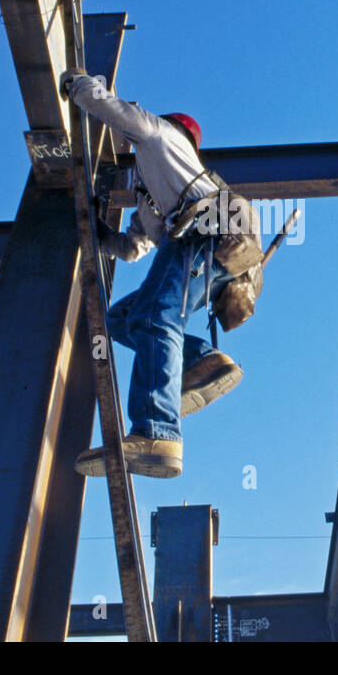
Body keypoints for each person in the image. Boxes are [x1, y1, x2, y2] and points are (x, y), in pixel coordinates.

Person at [59, 70, 248, 479]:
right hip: (200, 251)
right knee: (121, 319)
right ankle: (204, 361)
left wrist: (78, 84)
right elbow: (134, 248)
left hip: (203, 235)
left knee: (155, 318)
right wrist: (99, 233)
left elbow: (111, 109)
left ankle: (156, 432)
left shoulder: (162, 136)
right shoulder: (153, 193)